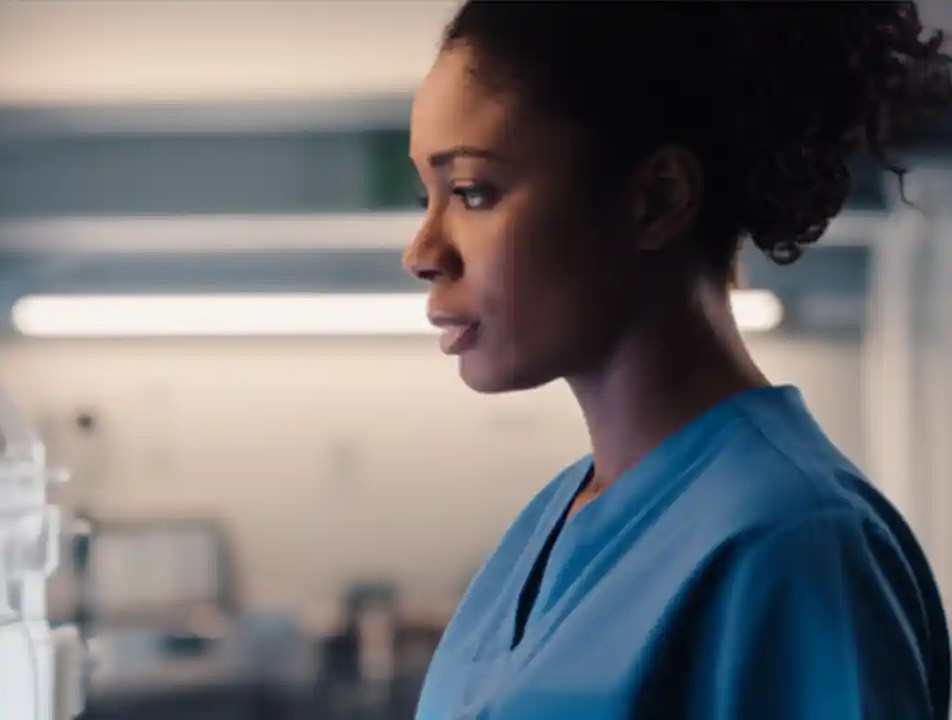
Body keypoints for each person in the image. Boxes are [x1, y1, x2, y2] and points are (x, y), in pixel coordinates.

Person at [402, 2, 952, 718]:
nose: (421, 253)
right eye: (427, 197)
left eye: (474, 192)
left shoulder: (791, 544)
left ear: (657, 199)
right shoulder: (560, 522)